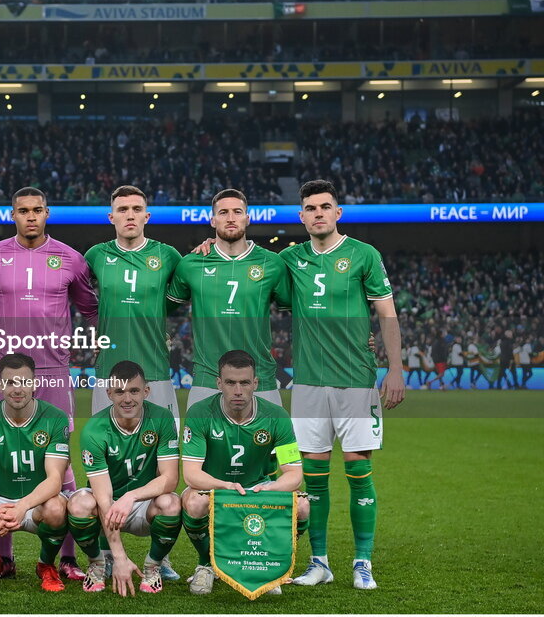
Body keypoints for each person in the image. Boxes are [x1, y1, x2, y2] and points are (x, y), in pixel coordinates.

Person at [279, 180, 405, 591]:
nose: (318, 213)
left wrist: (396, 368)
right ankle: (319, 562)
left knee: (358, 468)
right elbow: (248, 269)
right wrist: (209, 246)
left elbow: (386, 314)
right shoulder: (289, 259)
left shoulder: (363, 254)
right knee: (312, 476)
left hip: (355, 381)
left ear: (338, 213)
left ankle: (362, 561)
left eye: (325, 206)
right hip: (309, 385)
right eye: (310, 208)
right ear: (301, 217)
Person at [0, 186, 98, 580]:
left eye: (37, 210)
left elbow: (90, 308)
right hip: (6, 373)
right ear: (13, 214)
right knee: (1, 458)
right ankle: (4, 556)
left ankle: (67, 557)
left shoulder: (71, 259)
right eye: (23, 210)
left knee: (62, 464)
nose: (30, 216)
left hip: (53, 373)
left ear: (47, 213)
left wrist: (96, 348)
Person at [83, 184, 182, 581]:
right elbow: (76, 295)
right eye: (121, 209)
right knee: (105, 462)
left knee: (165, 468)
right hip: (108, 376)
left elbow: (187, 289)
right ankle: (108, 551)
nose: (128, 214)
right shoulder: (94, 256)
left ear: (147, 216)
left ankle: (164, 558)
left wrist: (209, 245)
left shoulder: (168, 256)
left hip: (156, 375)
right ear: (111, 218)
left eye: (136, 208)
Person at [179, 349, 310, 596]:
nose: (237, 390)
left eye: (244, 383)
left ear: (255, 384)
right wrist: (225, 486)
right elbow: (191, 474)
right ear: (219, 383)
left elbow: (294, 473)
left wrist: (269, 487)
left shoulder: (277, 416)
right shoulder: (200, 412)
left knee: (302, 506)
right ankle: (206, 564)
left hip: (258, 488)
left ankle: (267, 566)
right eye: (230, 382)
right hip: (216, 489)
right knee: (195, 502)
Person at [0, 352, 71, 593]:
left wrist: (22, 507)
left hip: (37, 501)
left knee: (57, 509)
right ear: (0, 385)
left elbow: (55, 480)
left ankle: (46, 565)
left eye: (24, 382)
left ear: (35, 383)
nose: (17, 389)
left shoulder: (55, 418)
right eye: (10, 382)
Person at [167, 189, 291, 408]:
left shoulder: (272, 263)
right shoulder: (191, 264)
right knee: (200, 443)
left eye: (237, 212)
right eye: (223, 212)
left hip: (260, 381)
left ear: (247, 218)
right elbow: (160, 307)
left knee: (267, 442)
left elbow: (302, 308)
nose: (231, 218)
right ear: (213, 220)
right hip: (207, 380)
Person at [67, 360, 182, 596]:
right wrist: (120, 557)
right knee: (78, 504)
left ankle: (153, 566)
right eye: (119, 392)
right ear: (109, 393)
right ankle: (98, 563)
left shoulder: (162, 418)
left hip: (142, 503)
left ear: (146, 391)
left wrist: (131, 496)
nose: (127, 399)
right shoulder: (94, 429)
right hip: (106, 505)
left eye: (134, 391)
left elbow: (170, 479)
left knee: (171, 503)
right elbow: (103, 496)